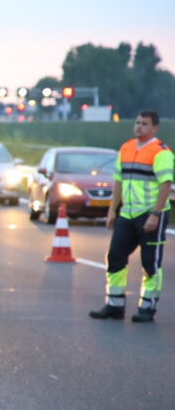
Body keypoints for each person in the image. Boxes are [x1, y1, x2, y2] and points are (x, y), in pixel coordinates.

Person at [90, 109, 172, 323]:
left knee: (150, 263)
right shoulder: (126, 148)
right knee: (115, 257)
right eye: (137, 122)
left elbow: (166, 185)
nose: (139, 126)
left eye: (144, 124)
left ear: (154, 127)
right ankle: (114, 305)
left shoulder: (160, 152)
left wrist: (155, 214)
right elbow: (118, 181)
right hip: (127, 213)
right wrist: (111, 210)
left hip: (150, 213)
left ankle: (147, 307)